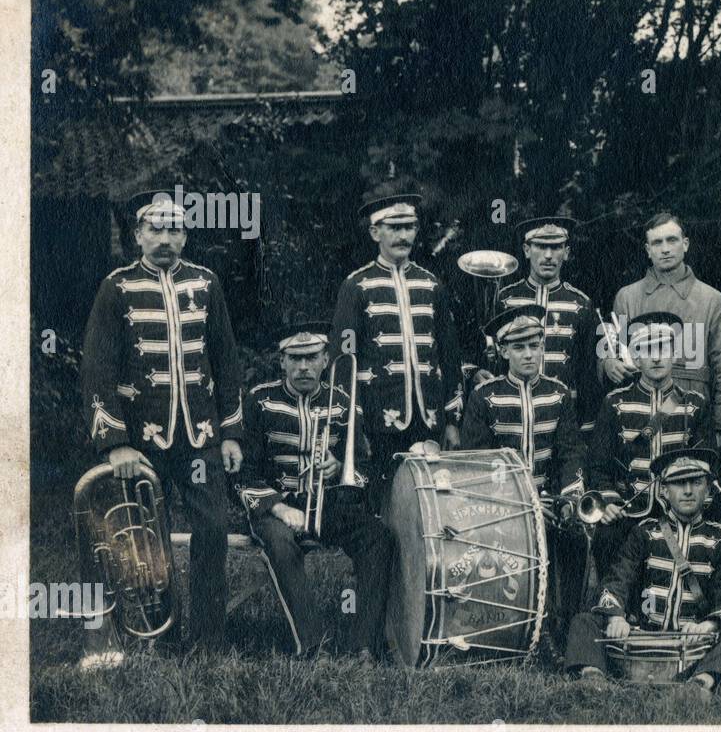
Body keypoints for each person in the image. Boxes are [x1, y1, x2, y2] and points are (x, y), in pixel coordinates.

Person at [79, 189, 245, 668]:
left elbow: (227, 360)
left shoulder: (207, 282)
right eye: (156, 227)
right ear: (138, 234)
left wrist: (231, 432)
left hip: (200, 439)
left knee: (213, 529)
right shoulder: (117, 286)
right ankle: (164, 637)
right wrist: (114, 443)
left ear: (186, 234)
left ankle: (211, 641)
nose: (166, 237)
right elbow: (96, 369)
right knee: (149, 538)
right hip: (140, 441)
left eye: (175, 228)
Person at [235, 322, 393, 658]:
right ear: (282, 361)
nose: (303, 366)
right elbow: (243, 473)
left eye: (311, 357)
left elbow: (364, 466)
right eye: (295, 358)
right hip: (276, 505)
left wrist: (339, 468)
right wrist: (278, 507)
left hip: (329, 501)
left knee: (378, 537)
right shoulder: (258, 401)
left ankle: (364, 644)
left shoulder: (344, 401)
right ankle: (313, 645)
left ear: (325, 360)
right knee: (280, 543)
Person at [564, 447, 721, 701]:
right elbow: (619, 577)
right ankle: (593, 677)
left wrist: (708, 625)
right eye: (678, 483)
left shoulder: (719, 539)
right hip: (641, 636)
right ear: (663, 490)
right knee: (584, 621)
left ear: (707, 490)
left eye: (696, 483)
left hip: (691, 645)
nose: (687, 491)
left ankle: (700, 683)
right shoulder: (645, 532)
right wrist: (616, 617)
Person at [329, 192, 463, 501]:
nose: (403, 236)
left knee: (430, 501)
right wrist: (352, 421)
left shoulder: (431, 285)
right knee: (385, 502)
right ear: (375, 233)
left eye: (410, 227)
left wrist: (452, 419)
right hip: (377, 419)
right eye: (394, 227)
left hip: (428, 418)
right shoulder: (356, 286)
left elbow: (450, 356)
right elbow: (342, 361)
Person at [461, 303, 587, 626]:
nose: (529, 355)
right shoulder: (484, 397)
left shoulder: (559, 395)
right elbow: (477, 463)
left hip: (550, 500)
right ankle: (519, 622)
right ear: (503, 351)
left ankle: (567, 623)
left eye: (535, 346)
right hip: (502, 504)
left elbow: (571, 452)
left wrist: (570, 498)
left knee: (575, 536)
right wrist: (523, 503)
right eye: (519, 347)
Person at [585, 311, 712, 579]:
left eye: (663, 349)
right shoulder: (614, 402)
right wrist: (609, 502)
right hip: (631, 508)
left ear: (675, 354)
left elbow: (707, 465)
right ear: (636, 356)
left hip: (682, 509)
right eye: (647, 350)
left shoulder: (695, 403)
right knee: (607, 538)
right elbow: (598, 465)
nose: (656, 358)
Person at [603, 212, 721, 447]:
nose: (665, 249)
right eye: (657, 242)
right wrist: (607, 363)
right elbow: (610, 350)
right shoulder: (627, 296)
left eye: (672, 240)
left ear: (685, 244)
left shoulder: (711, 299)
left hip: (694, 417)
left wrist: (719, 427)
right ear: (647, 250)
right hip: (639, 414)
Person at [487, 216, 600, 434]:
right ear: (527, 250)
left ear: (566, 252)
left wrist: (586, 423)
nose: (548, 255)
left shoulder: (581, 303)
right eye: (540, 246)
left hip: (566, 416)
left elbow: (587, 370)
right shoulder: (505, 299)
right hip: (511, 412)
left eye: (556, 247)